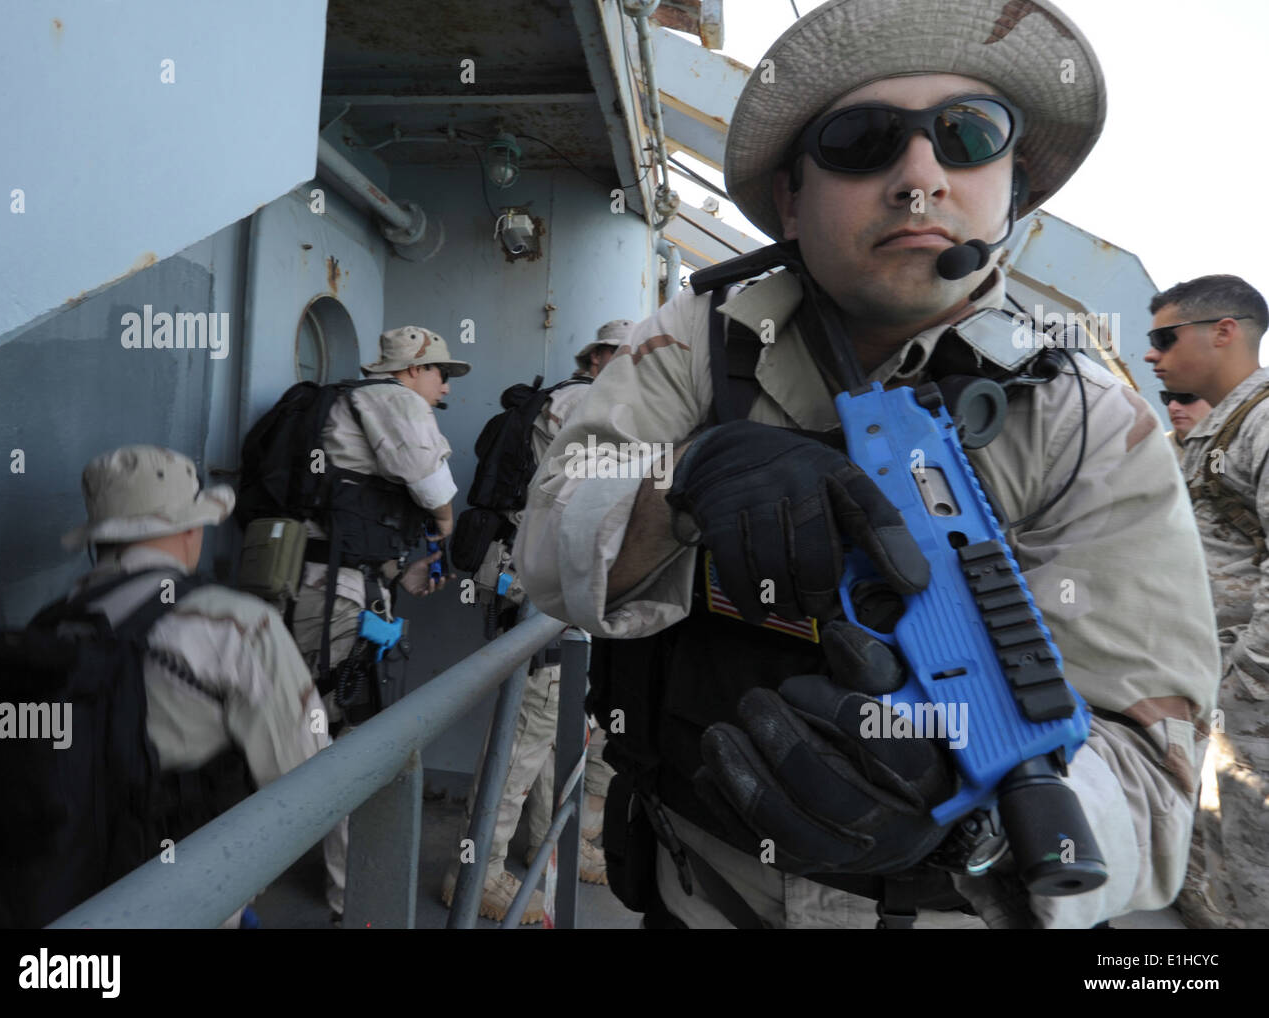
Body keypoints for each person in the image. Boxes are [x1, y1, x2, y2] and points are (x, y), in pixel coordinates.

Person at [517, 0, 1220, 929]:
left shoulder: (1081, 414)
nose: (920, 176)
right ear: (791, 201)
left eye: (969, 135)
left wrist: (967, 822)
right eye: (862, 141)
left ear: (1011, 186)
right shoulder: (700, 339)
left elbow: (1154, 791)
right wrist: (681, 486)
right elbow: (548, 553)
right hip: (699, 889)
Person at [66, 446, 347, 924]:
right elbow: (306, 781)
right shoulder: (239, 624)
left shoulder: (49, 626)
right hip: (186, 892)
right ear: (190, 529)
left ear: (101, 540)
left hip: (58, 884)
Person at [441, 321, 629, 924]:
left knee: (559, 725)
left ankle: (555, 845)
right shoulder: (581, 404)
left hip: (547, 583)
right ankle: (475, 872)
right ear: (598, 355)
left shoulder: (579, 401)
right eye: (622, 355)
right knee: (529, 730)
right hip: (540, 586)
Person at [1143, 275, 1269, 929]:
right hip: (1208, 676)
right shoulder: (1218, 430)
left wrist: (1242, 684)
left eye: (1164, 338)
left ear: (1224, 332)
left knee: (1245, 868)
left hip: (1248, 694)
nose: (1150, 355)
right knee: (1205, 854)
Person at [291, 326, 468, 703]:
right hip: (338, 595)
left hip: (317, 579)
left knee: (315, 707)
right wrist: (445, 521)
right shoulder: (396, 399)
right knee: (337, 714)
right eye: (443, 374)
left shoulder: (349, 400)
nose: (447, 388)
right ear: (415, 368)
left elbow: (348, 518)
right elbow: (430, 483)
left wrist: (397, 573)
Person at [1161, 390, 1212, 455]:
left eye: (1185, 397)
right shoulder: (1155, 453)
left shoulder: (1227, 450)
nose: (1172, 407)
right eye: (1167, 397)